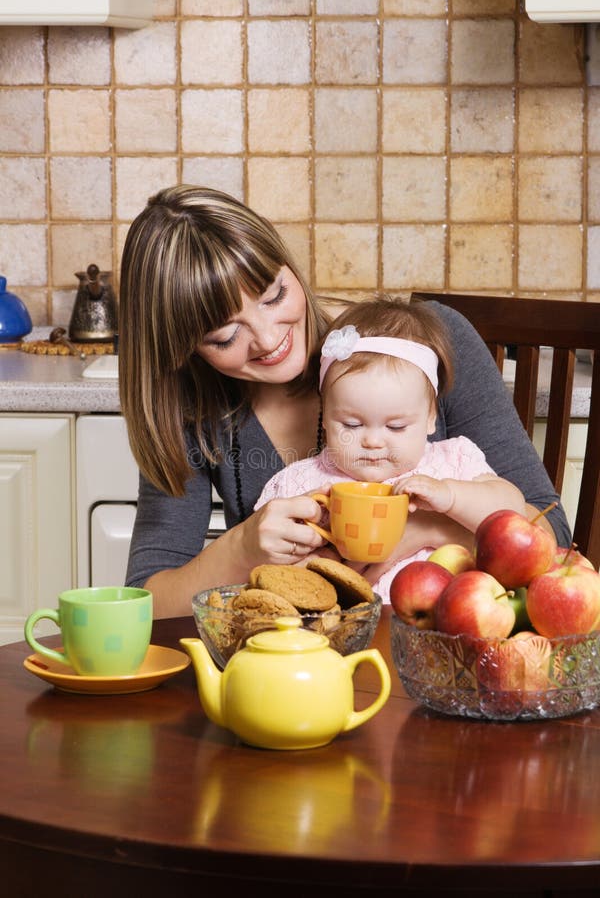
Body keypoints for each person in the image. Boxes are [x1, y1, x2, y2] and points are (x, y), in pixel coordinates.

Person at [119, 185, 570, 618]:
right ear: (184, 347)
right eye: (225, 335)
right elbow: (147, 604)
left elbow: (551, 536)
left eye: (275, 294)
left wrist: (419, 529)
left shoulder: (419, 346)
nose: (269, 338)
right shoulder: (194, 409)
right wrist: (241, 549)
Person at [253, 298, 527, 600]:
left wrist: (451, 496)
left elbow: (514, 515)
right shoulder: (300, 483)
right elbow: (263, 562)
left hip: (447, 624)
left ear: (430, 417)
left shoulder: (453, 461)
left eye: (396, 427)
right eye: (351, 425)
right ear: (325, 419)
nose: (373, 441)